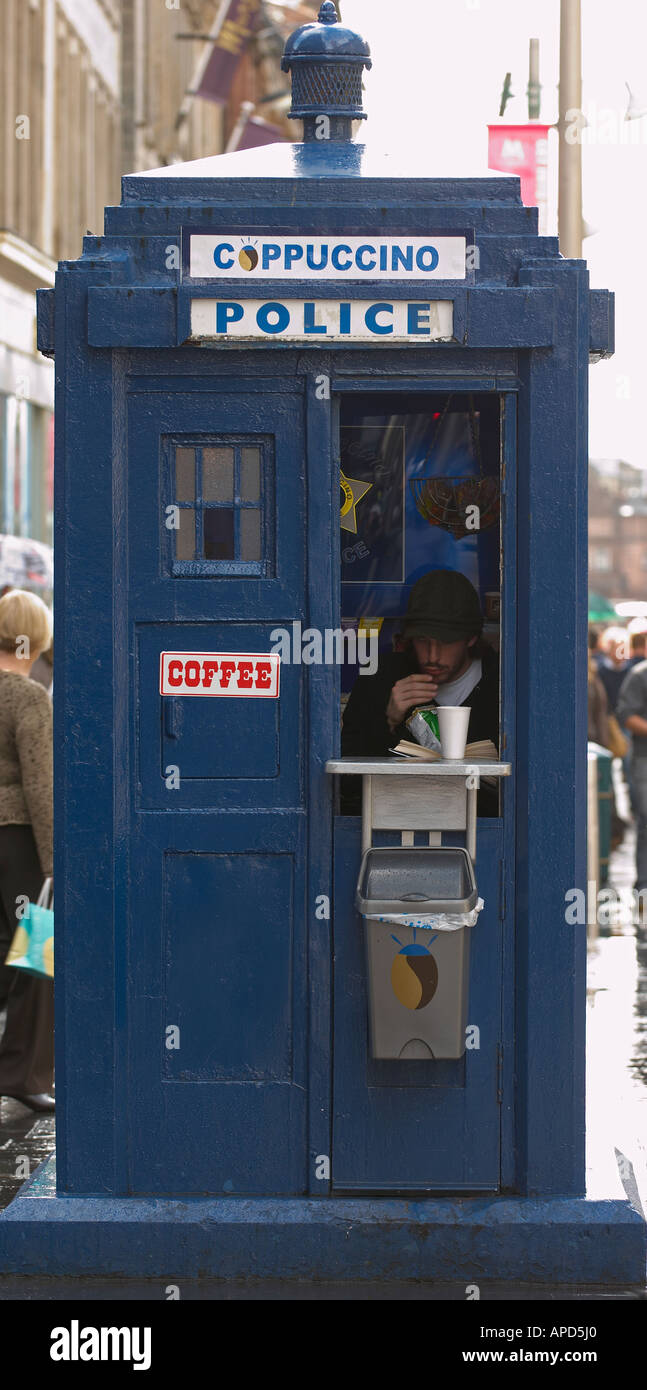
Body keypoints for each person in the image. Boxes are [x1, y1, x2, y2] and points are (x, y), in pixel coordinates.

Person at [341, 570, 499, 813]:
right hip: (390, 831)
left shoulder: (500, 683)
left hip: (483, 834)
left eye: (445, 642)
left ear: (470, 639)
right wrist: (388, 722)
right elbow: (345, 787)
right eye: (423, 641)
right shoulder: (380, 677)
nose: (433, 656)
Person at [0, 590, 54, 1113]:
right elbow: (40, 784)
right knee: (36, 950)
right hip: (18, 839)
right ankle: (23, 1073)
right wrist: (55, 859)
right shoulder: (29, 697)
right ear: (35, 639)